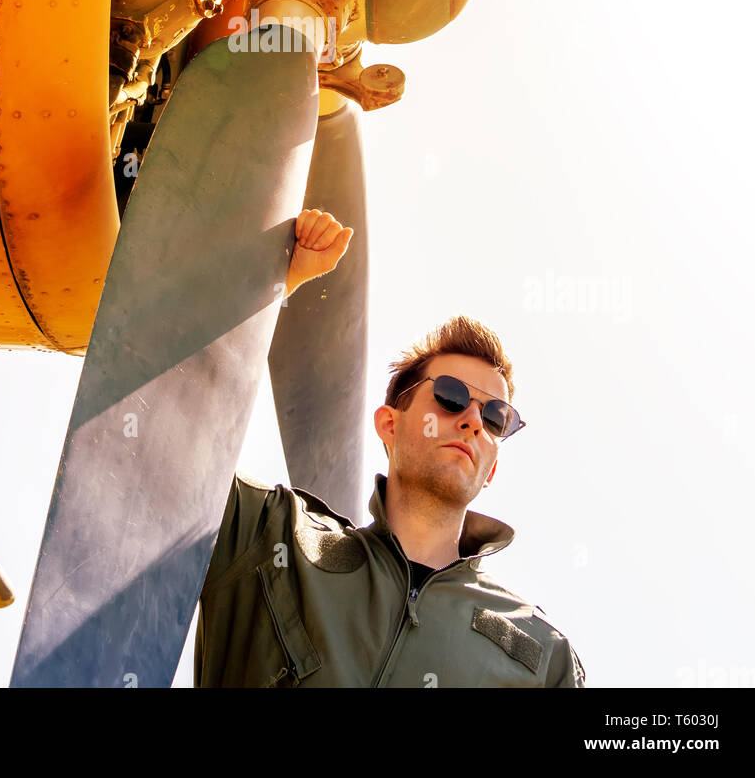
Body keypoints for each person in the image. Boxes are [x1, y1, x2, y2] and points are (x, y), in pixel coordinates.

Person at [194, 208, 584, 688]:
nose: (470, 422)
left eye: (494, 418)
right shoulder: (270, 535)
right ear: (389, 425)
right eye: (450, 396)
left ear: (492, 470)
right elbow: (173, 425)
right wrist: (276, 280)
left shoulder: (545, 657)